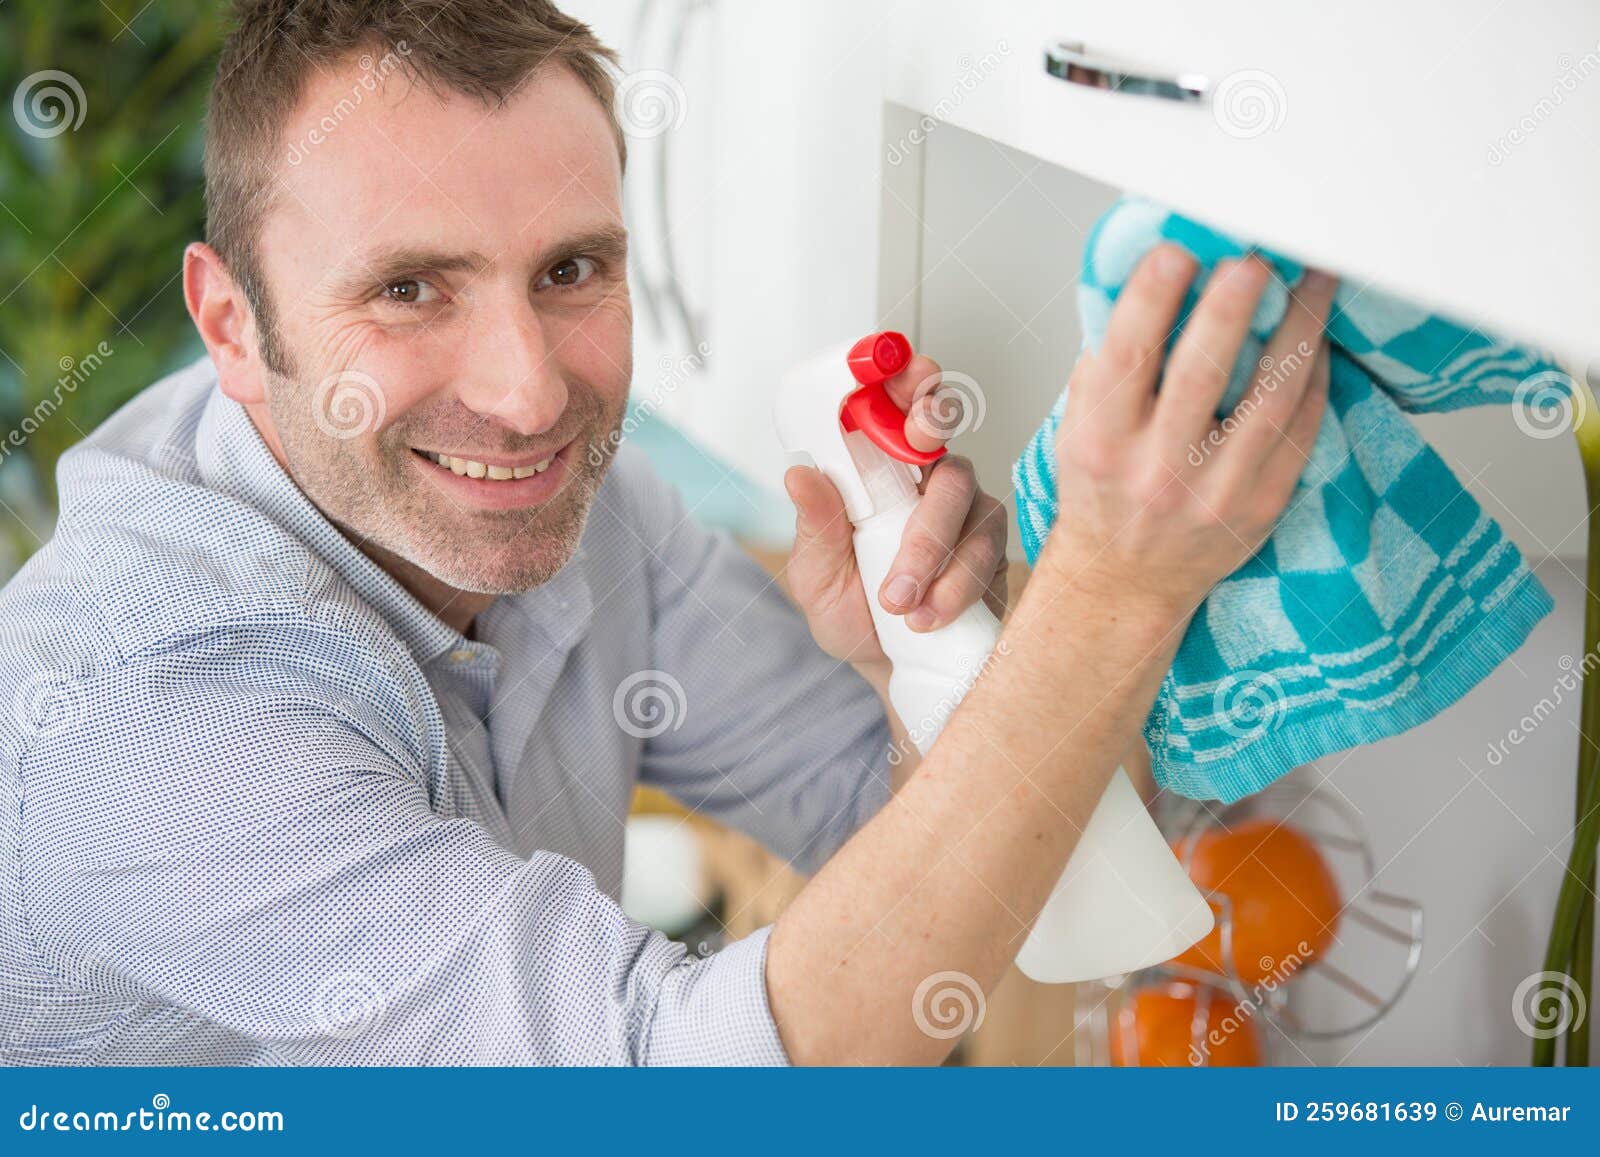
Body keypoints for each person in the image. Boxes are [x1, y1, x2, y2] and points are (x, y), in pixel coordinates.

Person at [0, 0, 1332, 1065]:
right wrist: (1109, 600)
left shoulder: (580, 515)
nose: (527, 396)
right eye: (410, 289)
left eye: (572, 270)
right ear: (232, 324)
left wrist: (914, 673)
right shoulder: (144, 704)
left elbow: (932, 844)